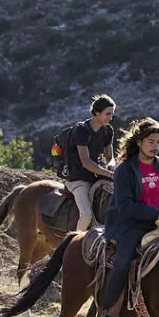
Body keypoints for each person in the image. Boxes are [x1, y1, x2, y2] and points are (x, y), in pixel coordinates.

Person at [93, 117, 159, 317]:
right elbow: (125, 206)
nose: (155, 146)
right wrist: (157, 214)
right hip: (128, 224)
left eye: (158, 141)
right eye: (151, 141)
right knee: (124, 260)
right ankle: (107, 314)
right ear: (140, 142)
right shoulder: (125, 169)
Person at [64, 94, 116, 231]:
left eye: (112, 114)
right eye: (107, 114)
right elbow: (86, 162)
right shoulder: (81, 130)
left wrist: (111, 165)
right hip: (78, 179)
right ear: (97, 113)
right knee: (86, 215)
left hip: (97, 176)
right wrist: (109, 174)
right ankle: (73, 244)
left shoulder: (108, 130)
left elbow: (110, 156)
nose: (111, 118)